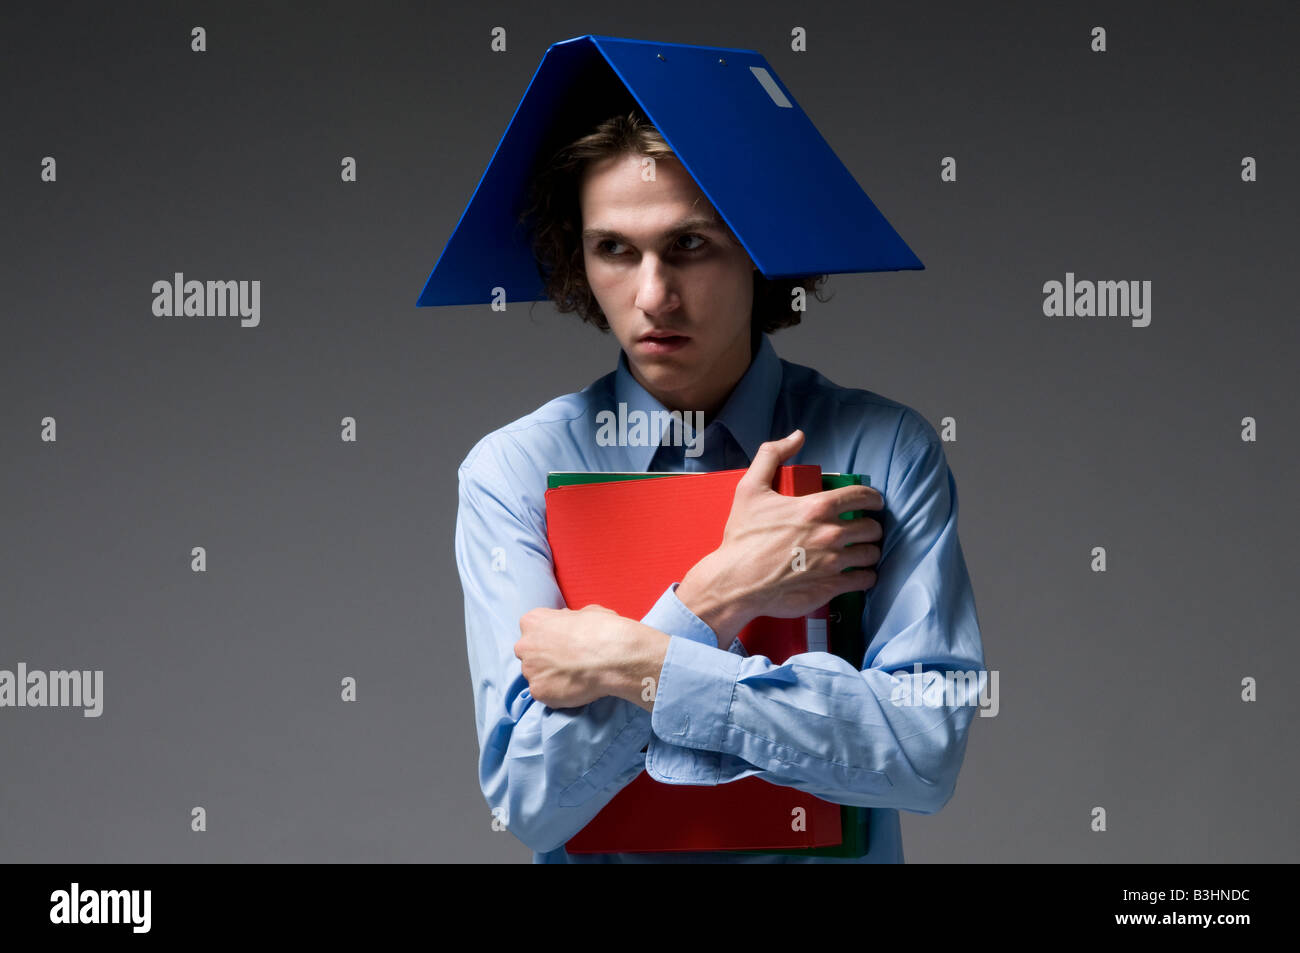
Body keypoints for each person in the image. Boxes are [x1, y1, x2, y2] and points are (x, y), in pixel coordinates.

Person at [452, 108, 986, 863]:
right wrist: (715, 597)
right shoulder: (511, 472)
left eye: (689, 245)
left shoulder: (887, 448)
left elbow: (924, 752)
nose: (652, 296)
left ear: (759, 253)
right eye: (614, 249)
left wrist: (635, 660)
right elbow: (530, 799)